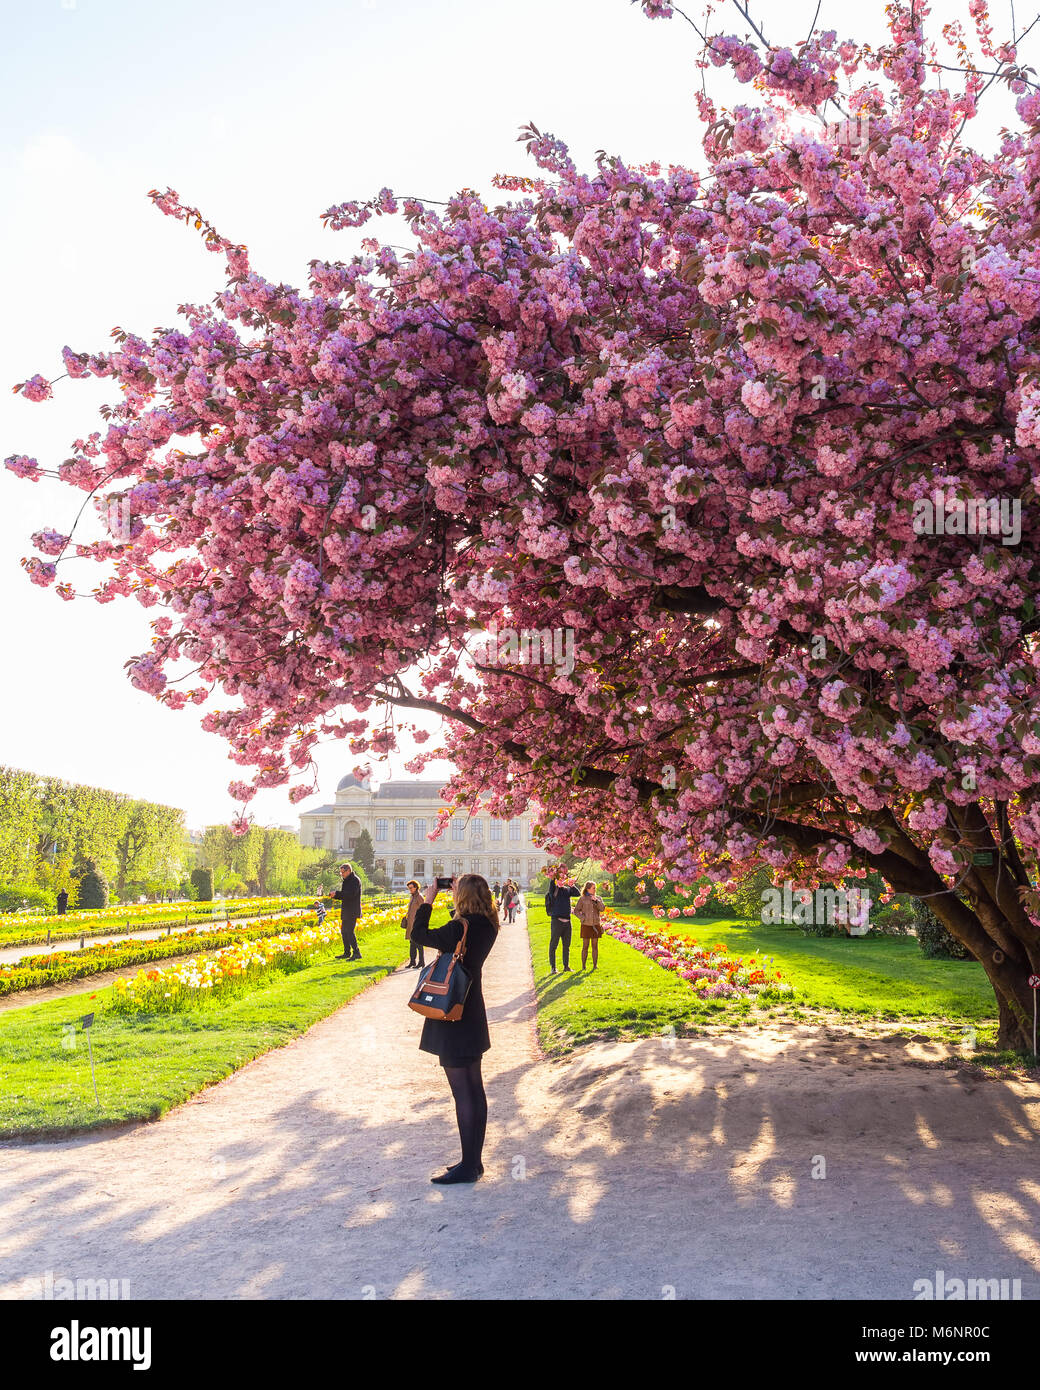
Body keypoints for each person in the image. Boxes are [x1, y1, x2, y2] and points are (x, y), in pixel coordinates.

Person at [409, 874, 499, 1184]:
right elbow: (459, 930)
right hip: (471, 1008)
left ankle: (468, 1166)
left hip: (453, 1011)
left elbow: (417, 933)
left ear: (461, 896)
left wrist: (429, 899)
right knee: (475, 1088)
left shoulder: (458, 928)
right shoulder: (487, 925)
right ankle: (473, 1162)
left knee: (463, 1092)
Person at [544, 867, 580, 973]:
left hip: (567, 922)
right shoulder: (554, 889)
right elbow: (551, 883)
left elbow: (577, 893)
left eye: (563, 878)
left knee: (566, 946)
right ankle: (553, 967)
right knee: (553, 945)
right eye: (560, 878)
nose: (562, 880)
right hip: (557, 921)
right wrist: (554, 875)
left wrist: (571, 884)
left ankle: (566, 966)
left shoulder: (567, 890)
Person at [329, 862, 362, 960]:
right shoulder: (346, 880)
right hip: (347, 910)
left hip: (352, 910)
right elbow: (344, 895)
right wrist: (336, 895)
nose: (341, 874)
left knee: (350, 931)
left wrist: (338, 893)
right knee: (344, 931)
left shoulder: (355, 880)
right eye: (341, 873)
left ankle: (356, 953)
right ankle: (347, 952)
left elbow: (351, 895)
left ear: (348, 870)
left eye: (342, 872)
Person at [574, 881, 606, 970]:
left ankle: (595, 966)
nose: (595, 890)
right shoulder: (582, 899)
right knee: (585, 946)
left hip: (595, 925)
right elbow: (576, 910)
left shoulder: (598, 898)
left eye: (595, 888)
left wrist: (597, 901)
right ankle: (583, 966)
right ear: (588, 889)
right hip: (586, 925)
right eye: (593, 888)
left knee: (595, 946)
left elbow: (602, 909)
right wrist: (582, 918)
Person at [403, 879, 425, 969]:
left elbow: (423, 910)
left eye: (411, 888)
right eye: (409, 888)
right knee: (412, 943)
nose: (410, 889)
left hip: (416, 923)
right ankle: (412, 961)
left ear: (416, 887)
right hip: (410, 923)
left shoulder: (419, 897)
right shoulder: (412, 897)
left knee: (419, 944)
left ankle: (421, 962)